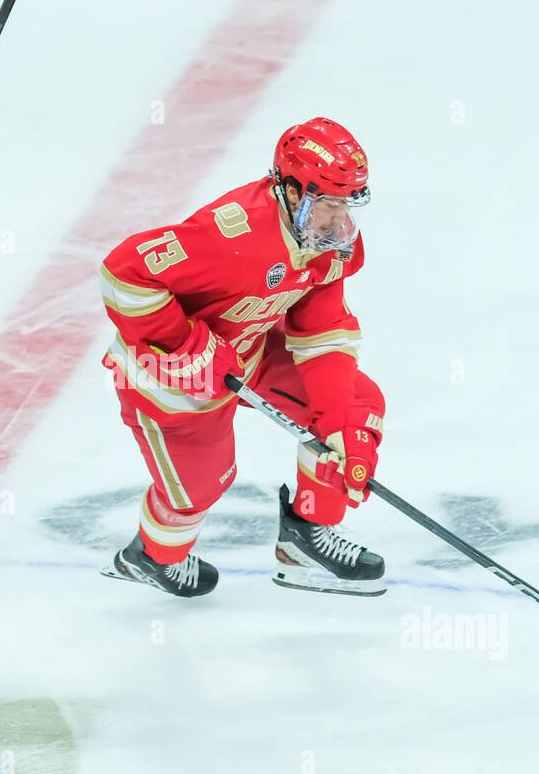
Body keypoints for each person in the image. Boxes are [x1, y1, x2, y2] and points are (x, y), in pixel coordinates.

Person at [99, 116, 386, 598]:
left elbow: (321, 331)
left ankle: (304, 537)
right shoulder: (232, 234)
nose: (339, 220)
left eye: (346, 203)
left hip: (246, 356)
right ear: (292, 192)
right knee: (199, 490)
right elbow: (124, 273)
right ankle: (151, 557)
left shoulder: (328, 240)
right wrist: (188, 346)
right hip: (168, 380)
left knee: (355, 408)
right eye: (328, 204)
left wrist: (336, 421)